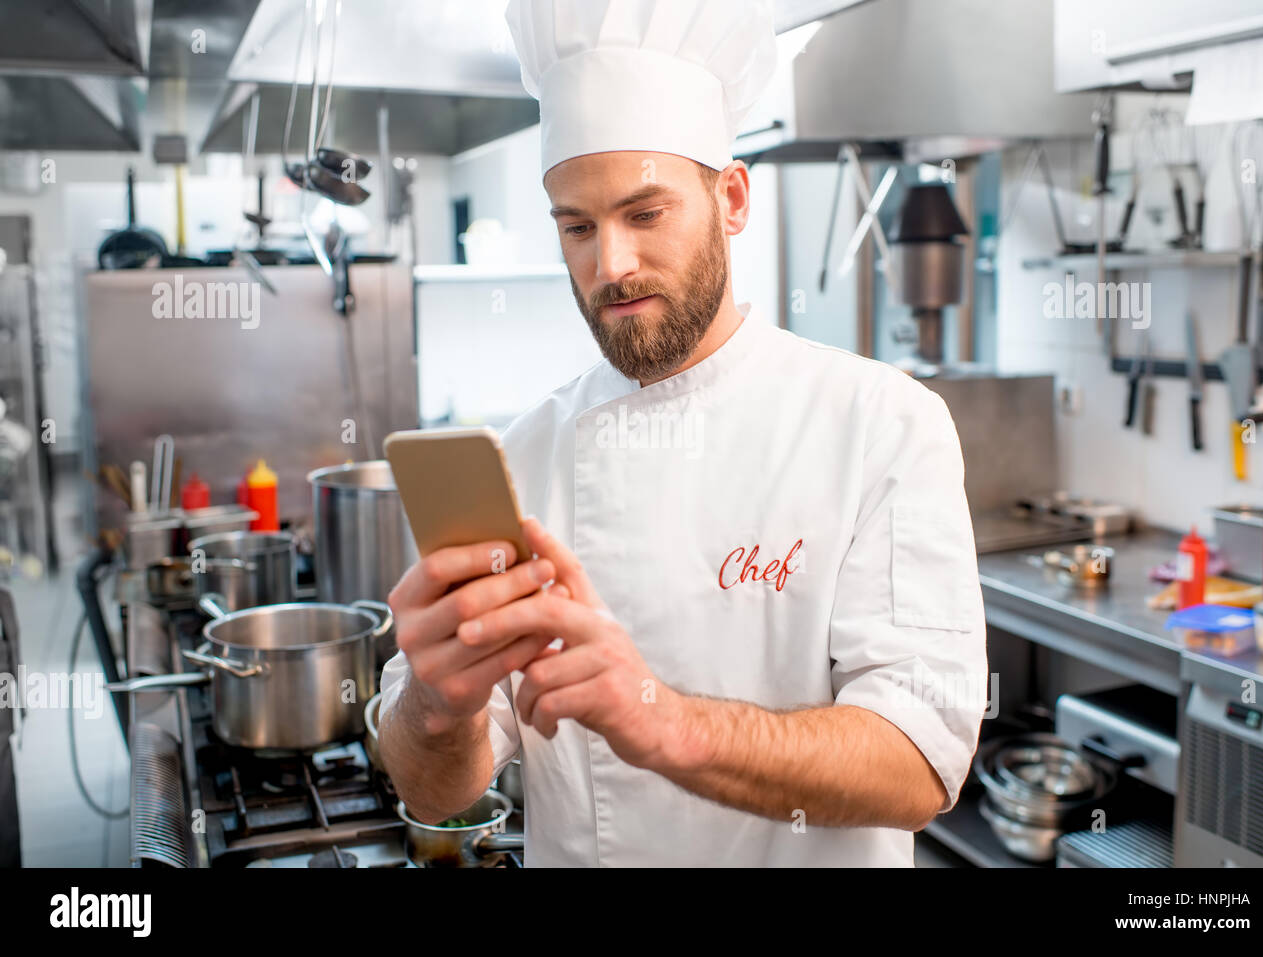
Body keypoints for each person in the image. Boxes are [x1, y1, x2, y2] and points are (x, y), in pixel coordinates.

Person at [378, 0, 987, 867]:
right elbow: (433, 790)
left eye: (645, 213)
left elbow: (921, 761)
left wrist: (658, 720)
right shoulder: (525, 457)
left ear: (730, 198)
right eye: (578, 228)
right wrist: (435, 707)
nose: (610, 265)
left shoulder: (882, 424)